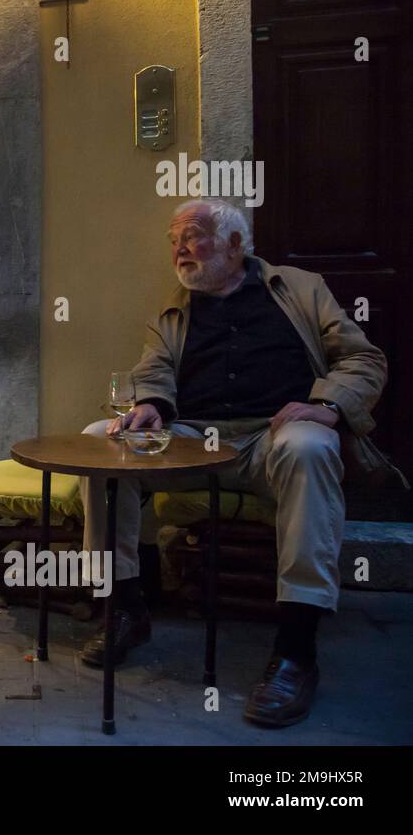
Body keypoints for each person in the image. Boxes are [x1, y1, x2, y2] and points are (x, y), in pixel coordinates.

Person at [80, 198, 402, 727]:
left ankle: (297, 650)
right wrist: (151, 405)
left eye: (195, 235)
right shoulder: (176, 304)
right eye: (175, 238)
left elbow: (364, 358)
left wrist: (325, 405)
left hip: (269, 439)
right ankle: (125, 606)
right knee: (102, 441)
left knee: (310, 446)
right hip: (189, 440)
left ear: (235, 244)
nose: (181, 247)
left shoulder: (299, 288)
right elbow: (152, 368)